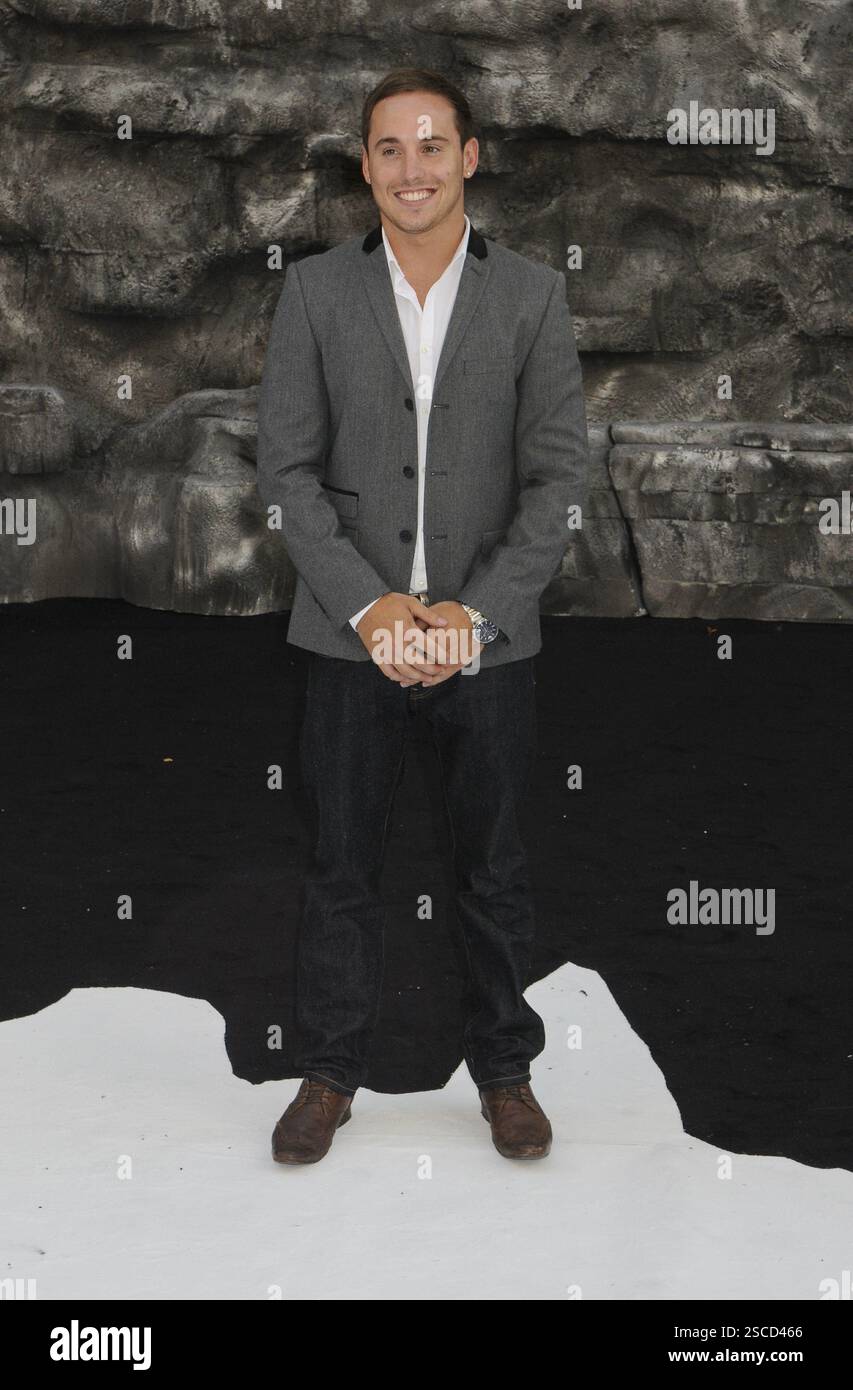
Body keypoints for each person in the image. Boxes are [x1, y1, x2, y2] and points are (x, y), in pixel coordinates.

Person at [256, 65, 589, 1164]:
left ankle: (505, 1072)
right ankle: (328, 1069)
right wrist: (373, 606)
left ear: (469, 158)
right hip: (349, 637)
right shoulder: (311, 292)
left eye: (432, 145)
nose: (412, 168)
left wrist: (470, 619)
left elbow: (554, 484)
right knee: (341, 861)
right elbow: (289, 475)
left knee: (490, 865)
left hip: (487, 645)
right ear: (365, 164)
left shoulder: (533, 296)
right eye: (389, 148)